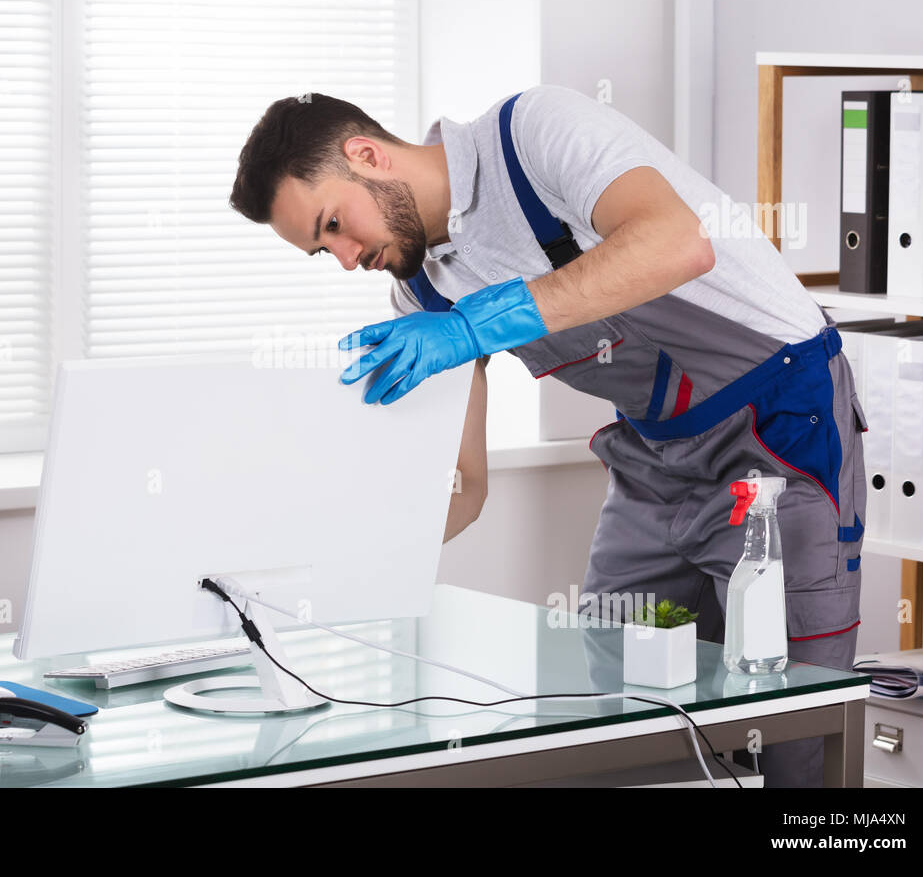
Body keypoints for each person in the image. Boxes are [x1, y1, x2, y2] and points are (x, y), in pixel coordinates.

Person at [228, 86, 866, 787]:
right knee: (612, 720)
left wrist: (475, 326)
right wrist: (330, 570)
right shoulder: (423, 294)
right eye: (325, 251)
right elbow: (463, 487)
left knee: (796, 728)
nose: (349, 258)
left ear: (367, 155)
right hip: (654, 463)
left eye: (335, 224)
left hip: (777, 435)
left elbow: (679, 242)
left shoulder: (533, 135)